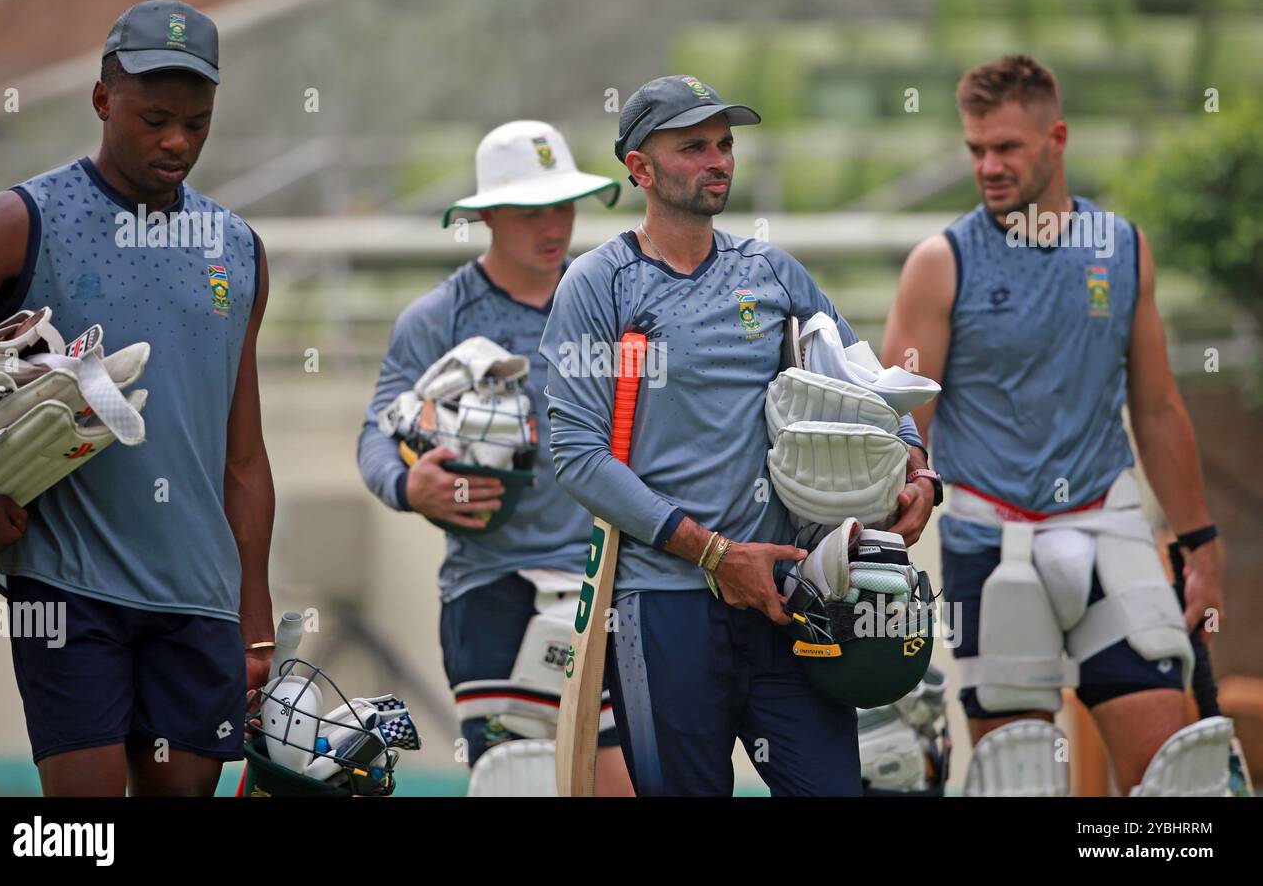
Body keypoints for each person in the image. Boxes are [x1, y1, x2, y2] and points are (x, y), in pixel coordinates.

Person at [539, 76, 939, 796]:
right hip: (664, 603)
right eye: (693, 147)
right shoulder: (599, 284)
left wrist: (917, 467)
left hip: (790, 596)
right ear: (640, 168)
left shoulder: (773, 272)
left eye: (724, 144)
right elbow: (574, 451)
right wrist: (716, 554)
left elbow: (868, 380)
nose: (718, 159)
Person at [881, 54, 1222, 794]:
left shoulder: (1122, 249)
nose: (989, 166)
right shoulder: (939, 264)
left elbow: (1158, 407)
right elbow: (898, 424)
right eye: (976, 150)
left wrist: (1200, 544)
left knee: (1177, 780)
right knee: (1020, 780)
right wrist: (902, 504)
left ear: (1057, 139)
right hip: (989, 547)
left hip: (1110, 528)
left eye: (1007, 147)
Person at [0, 0, 275, 795]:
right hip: (69, 587)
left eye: (196, 123)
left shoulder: (237, 249)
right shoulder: (17, 223)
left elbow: (242, 456)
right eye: (156, 118)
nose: (176, 142)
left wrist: (256, 619)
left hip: (199, 596)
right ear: (103, 100)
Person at [357, 120, 633, 794]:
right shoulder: (438, 317)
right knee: (521, 781)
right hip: (493, 591)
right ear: (486, 216)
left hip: (611, 588)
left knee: (621, 783)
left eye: (563, 205)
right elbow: (376, 433)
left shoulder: (615, 301)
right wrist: (406, 483)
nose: (554, 224)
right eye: (531, 209)